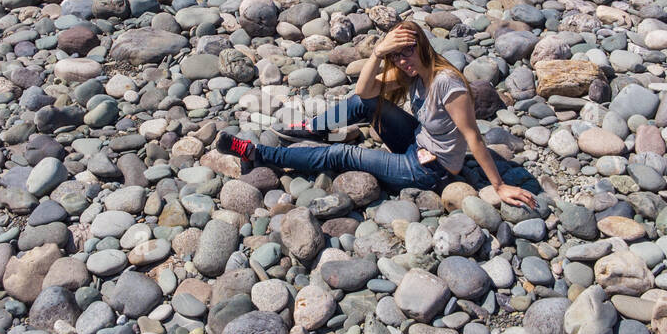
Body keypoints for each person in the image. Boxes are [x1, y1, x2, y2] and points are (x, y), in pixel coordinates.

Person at [216, 21, 540, 204]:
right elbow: (363, 93)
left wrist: (498, 187)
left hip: (429, 169)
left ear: (424, 46)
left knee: (343, 155)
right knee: (368, 104)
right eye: (397, 56)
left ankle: (257, 153)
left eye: (409, 51)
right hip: (417, 140)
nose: (403, 61)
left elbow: (473, 138)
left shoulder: (448, 84)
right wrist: (378, 52)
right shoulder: (412, 72)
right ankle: (316, 128)